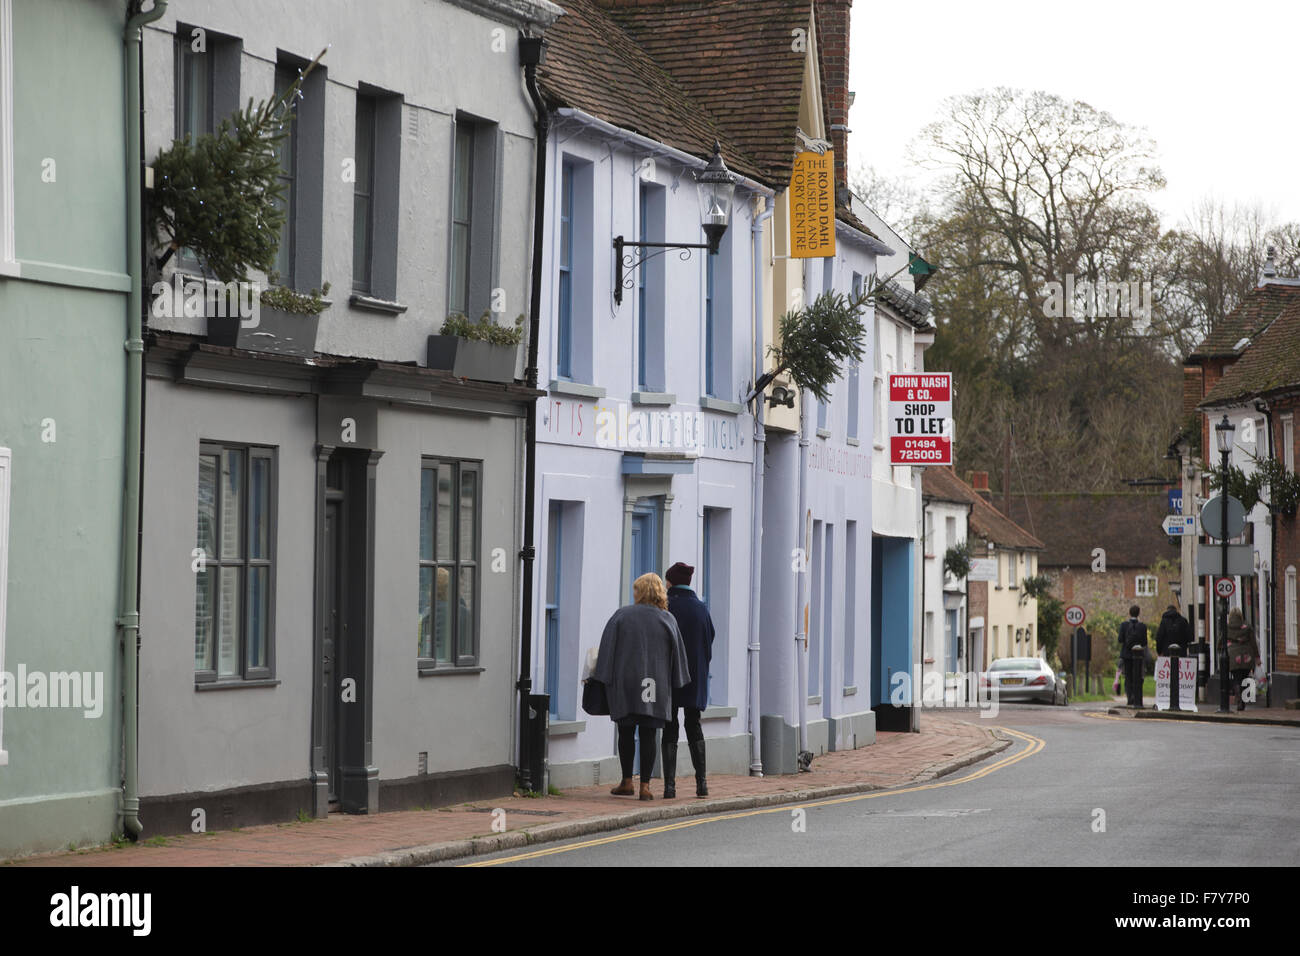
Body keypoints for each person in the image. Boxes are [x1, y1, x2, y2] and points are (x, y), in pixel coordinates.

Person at [593, 573, 689, 800]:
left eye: (636, 589)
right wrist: (677, 683)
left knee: (625, 731)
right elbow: (678, 657)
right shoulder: (667, 619)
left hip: (624, 683)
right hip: (654, 684)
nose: (634, 593)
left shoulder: (622, 615)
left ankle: (627, 781)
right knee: (649, 732)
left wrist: (600, 678)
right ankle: (645, 786)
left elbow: (607, 649)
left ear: (642, 592)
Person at [662, 562, 715, 798]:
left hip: (670, 674)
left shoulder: (666, 606)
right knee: (694, 724)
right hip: (695, 675)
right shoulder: (701, 608)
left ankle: (669, 787)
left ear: (671, 582)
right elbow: (710, 638)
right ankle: (701, 783)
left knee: (670, 724)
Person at [1224, 608, 1260, 712]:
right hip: (1247, 656)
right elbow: (1253, 643)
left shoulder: (1227, 627)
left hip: (1233, 657)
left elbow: (1220, 642)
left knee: (1236, 679)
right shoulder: (1247, 627)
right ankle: (1243, 701)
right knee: (1245, 678)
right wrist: (1257, 657)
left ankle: (1239, 699)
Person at [1118, 605, 1147, 708]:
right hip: (1138, 656)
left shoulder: (1124, 625)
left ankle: (1129, 697)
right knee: (1138, 676)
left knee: (1128, 677)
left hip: (1126, 655)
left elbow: (1120, 640)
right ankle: (1136, 696)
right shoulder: (1142, 626)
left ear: (1129, 613)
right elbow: (1144, 642)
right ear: (1138, 613)